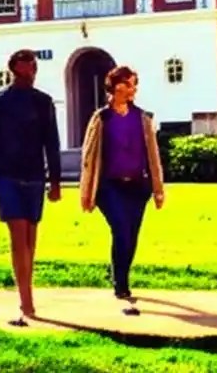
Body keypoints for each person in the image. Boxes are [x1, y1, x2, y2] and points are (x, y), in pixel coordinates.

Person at [0, 48, 62, 326]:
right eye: (24, 69)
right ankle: (26, 300)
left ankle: (27, 290)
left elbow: (52, 143)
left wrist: (56, 181)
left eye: (33, 68)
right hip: (6, 175)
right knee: (18, 236)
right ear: (13, 71)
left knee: (30, 240)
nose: (30, 74)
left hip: (35, 176)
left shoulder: (44, 102)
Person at [77, 65, 166, 312]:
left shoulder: (143, 118)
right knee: (121, 229)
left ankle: (121, 275)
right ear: (116, 87)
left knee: (132, 234)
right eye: (128, 83)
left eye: (134, 84)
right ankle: (120, 283)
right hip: (110, 186)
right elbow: (89, 156)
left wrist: (158, 189)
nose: (132, 89)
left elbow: (153, 155)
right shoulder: (101, 118)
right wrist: (86, 192)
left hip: (138, 186)